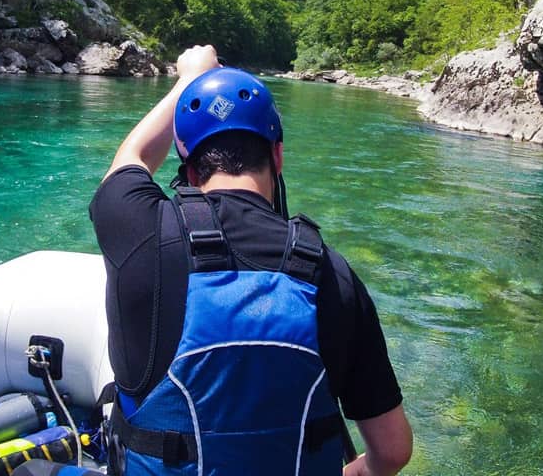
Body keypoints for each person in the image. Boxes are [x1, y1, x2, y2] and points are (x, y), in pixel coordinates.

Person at [90, 44, 412, 476]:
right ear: (277, 157)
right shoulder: (332, 274)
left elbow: (132, 160)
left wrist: (189, 80)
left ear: (187, 170)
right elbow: (392, 452)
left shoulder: (141, 231)